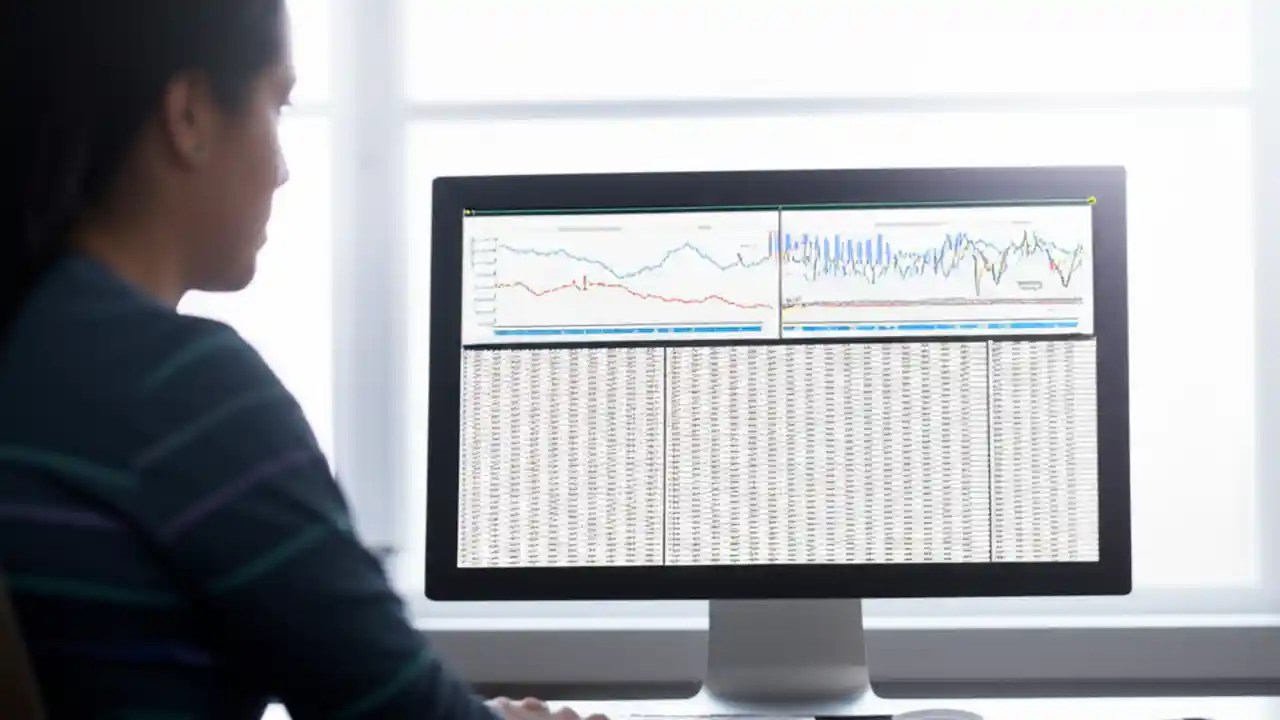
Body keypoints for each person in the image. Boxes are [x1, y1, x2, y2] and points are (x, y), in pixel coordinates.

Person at [0, 2, 603, 719]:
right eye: (275, 104)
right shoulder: (180, 394)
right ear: (189, 115)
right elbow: (393, 711)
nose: (283, 170)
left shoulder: (33, 344)